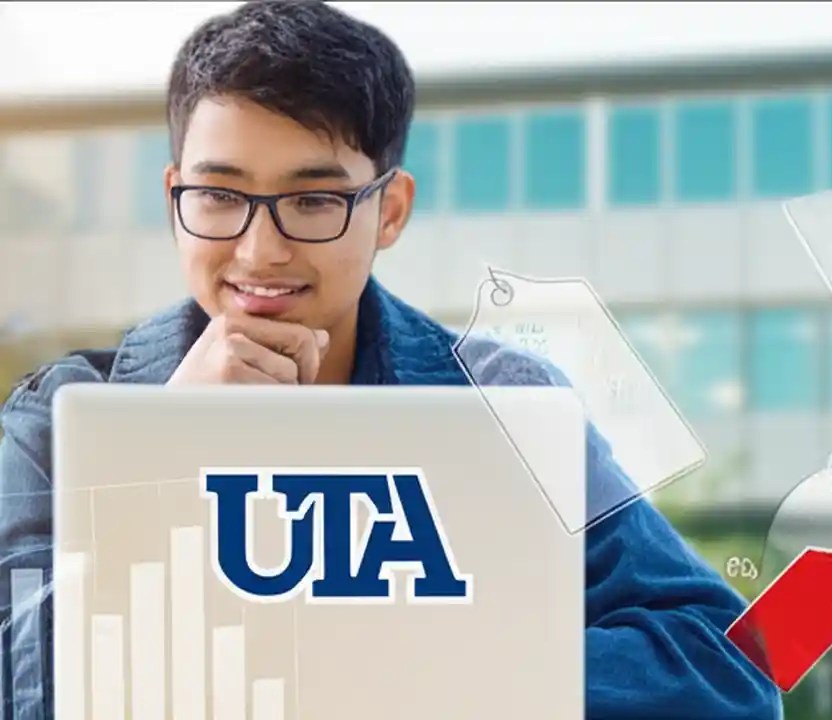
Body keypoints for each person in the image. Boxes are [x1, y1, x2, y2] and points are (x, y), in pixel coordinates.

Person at [0, 1, 780, 718]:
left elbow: (725, 666)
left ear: (391, 211)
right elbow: (19, 683)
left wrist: (395, 670)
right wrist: (170, 454)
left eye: (314, 201)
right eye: (219, 196)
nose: (259, 249)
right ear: (175, 197)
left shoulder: (506, 408)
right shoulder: (54, 421)